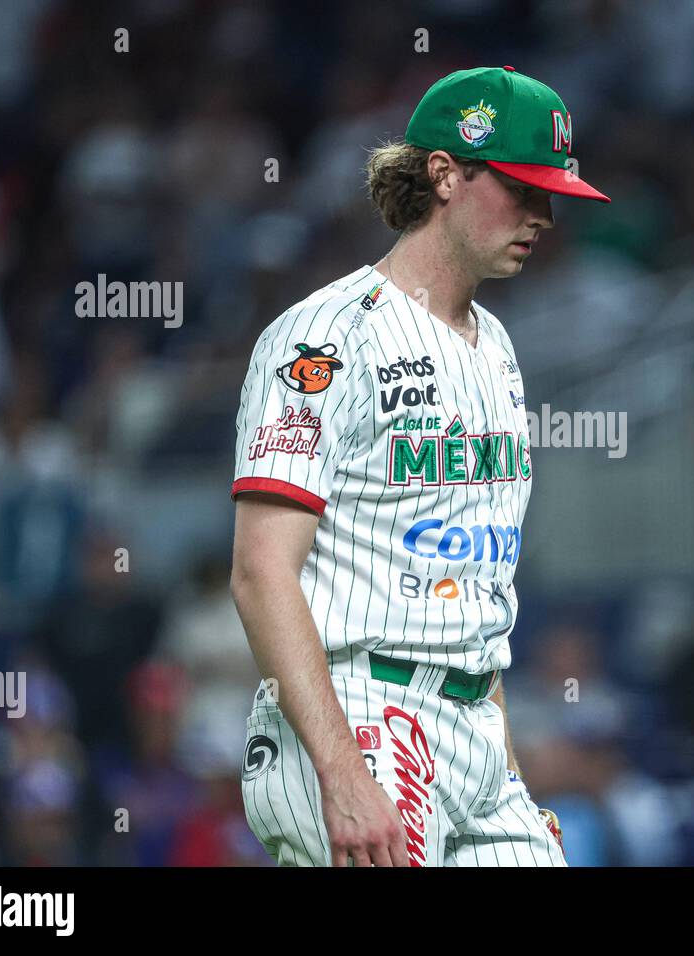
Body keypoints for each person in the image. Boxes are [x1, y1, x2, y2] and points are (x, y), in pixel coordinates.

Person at [229, 66, 608, 867]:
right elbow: (262, 573)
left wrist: (505, 775)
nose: (543, 215)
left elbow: (477, 584)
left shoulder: (496, 345)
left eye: (553, 194)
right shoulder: (327, 337)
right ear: (444, 174)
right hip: (357, 709)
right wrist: (341, 772)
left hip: (474, 727)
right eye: (520, 187)